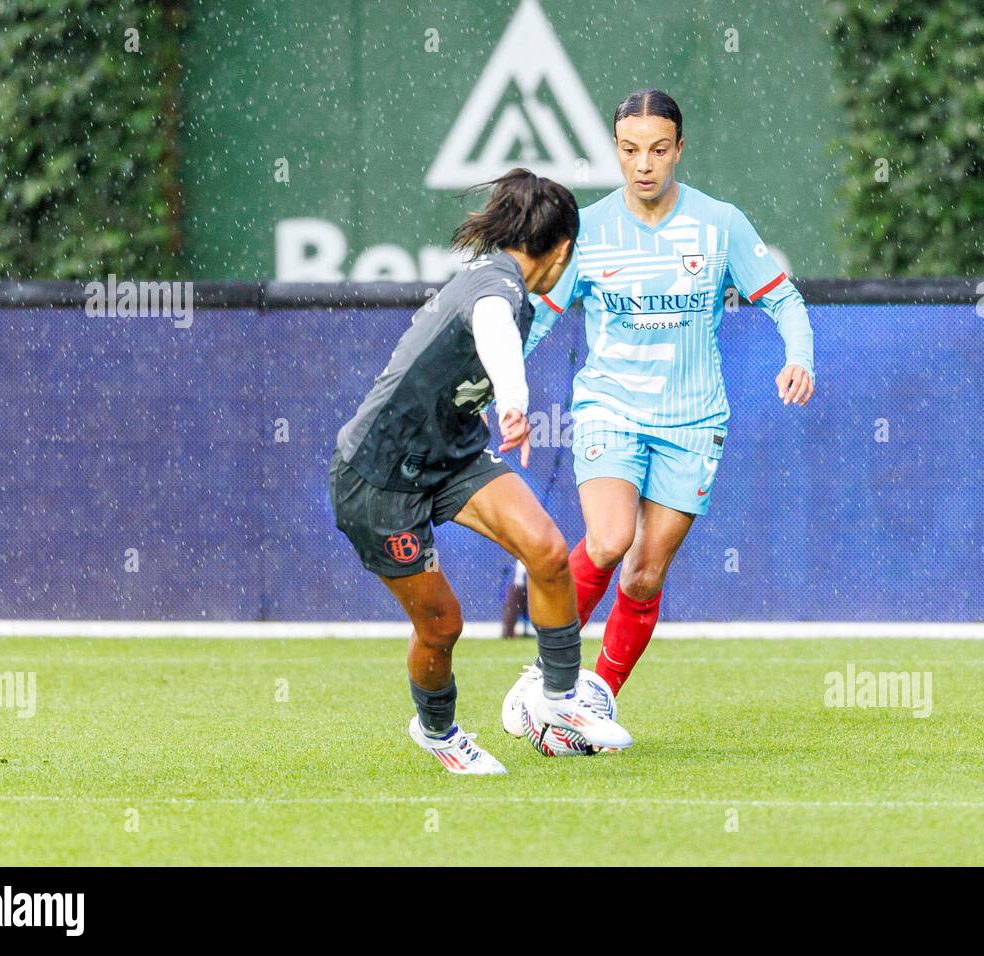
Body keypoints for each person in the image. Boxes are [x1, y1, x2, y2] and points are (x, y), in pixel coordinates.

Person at [502, 90, 815, 734]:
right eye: (629, 150)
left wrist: (799, 356)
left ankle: (594, 700)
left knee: (644, 576)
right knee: (611, 540)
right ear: (616, 151)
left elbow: (782, 297)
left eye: (657, 149)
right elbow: (539, 320)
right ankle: (545, 674)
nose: (643, 164)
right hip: (609, 410)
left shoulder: (719, 223)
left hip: (694, 422)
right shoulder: (585, 231)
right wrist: (510, 392)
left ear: (678, 150)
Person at [330, 168, 632, 774]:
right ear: (564, 249)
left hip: (453, 453)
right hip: (378, 478)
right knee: (442, 625)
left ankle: (559, 700)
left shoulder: (503, 283)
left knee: (546, 550)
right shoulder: (497, 288)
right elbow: (494, 331)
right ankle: (437, 730)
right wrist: (515, 401)